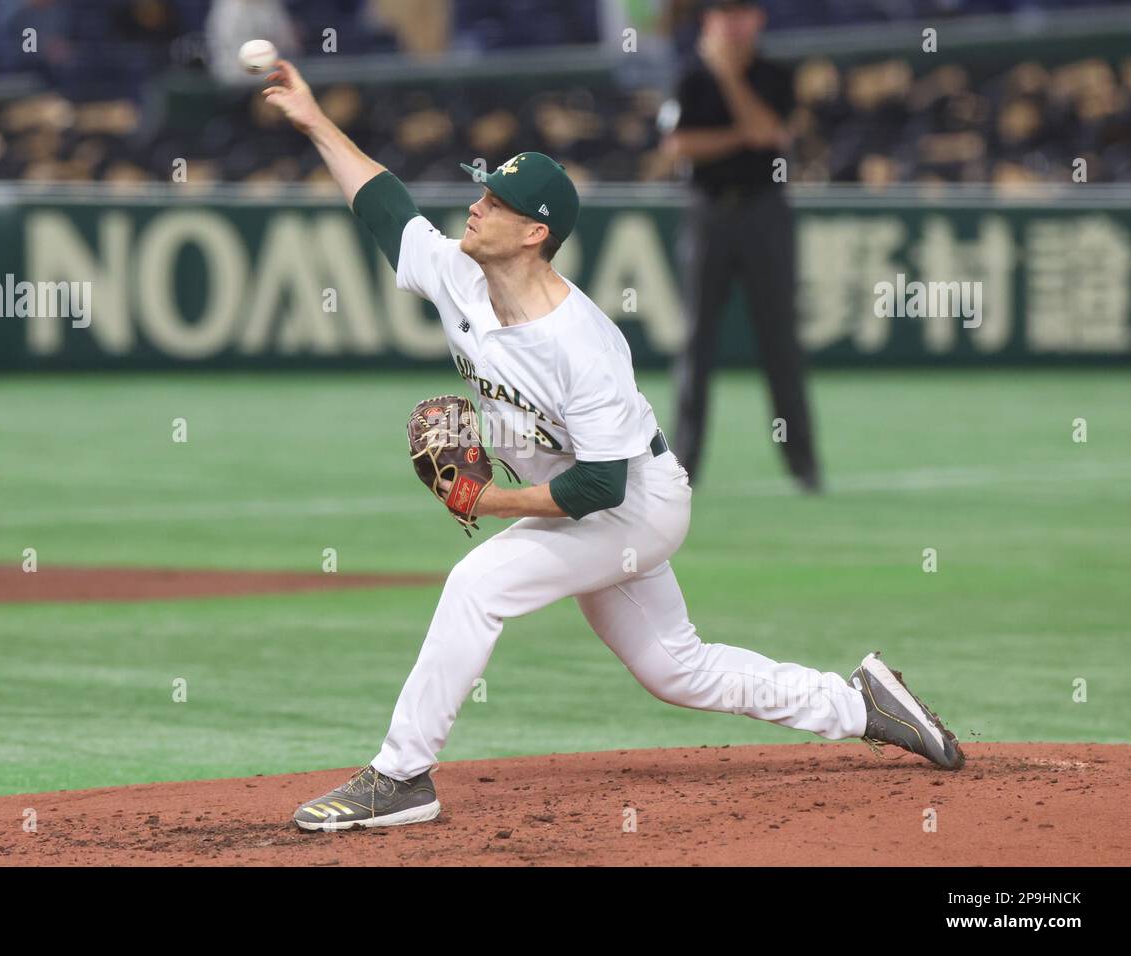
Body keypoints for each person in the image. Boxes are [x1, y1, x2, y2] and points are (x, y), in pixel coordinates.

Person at [261, 59, 963, 830]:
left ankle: (401, 776)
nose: (475, 206)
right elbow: (384, 204)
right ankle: (860, 705)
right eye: (481, 190)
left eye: (495, 203)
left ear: (535, 233)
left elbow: (599, 487)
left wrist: (490, 500)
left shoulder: (583, 343)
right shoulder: (458, 275)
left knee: (476, 585)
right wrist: (314, 121)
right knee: (677, 670)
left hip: (634, 505)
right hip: (596, 506)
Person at [663, 0, 820, 491]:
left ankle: (803, 466)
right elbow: (678, 146)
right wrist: (741, 135)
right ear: (708, 22)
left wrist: (730, 79)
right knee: (696, 343)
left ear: (758, 19)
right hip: (708, 211)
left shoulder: (775, 75)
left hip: (764, 211)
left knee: (779, 342)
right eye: (722, 14)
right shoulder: (690, 77)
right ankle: (682, 468)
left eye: (741, 12)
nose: (732, 24)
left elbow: (772, 134)